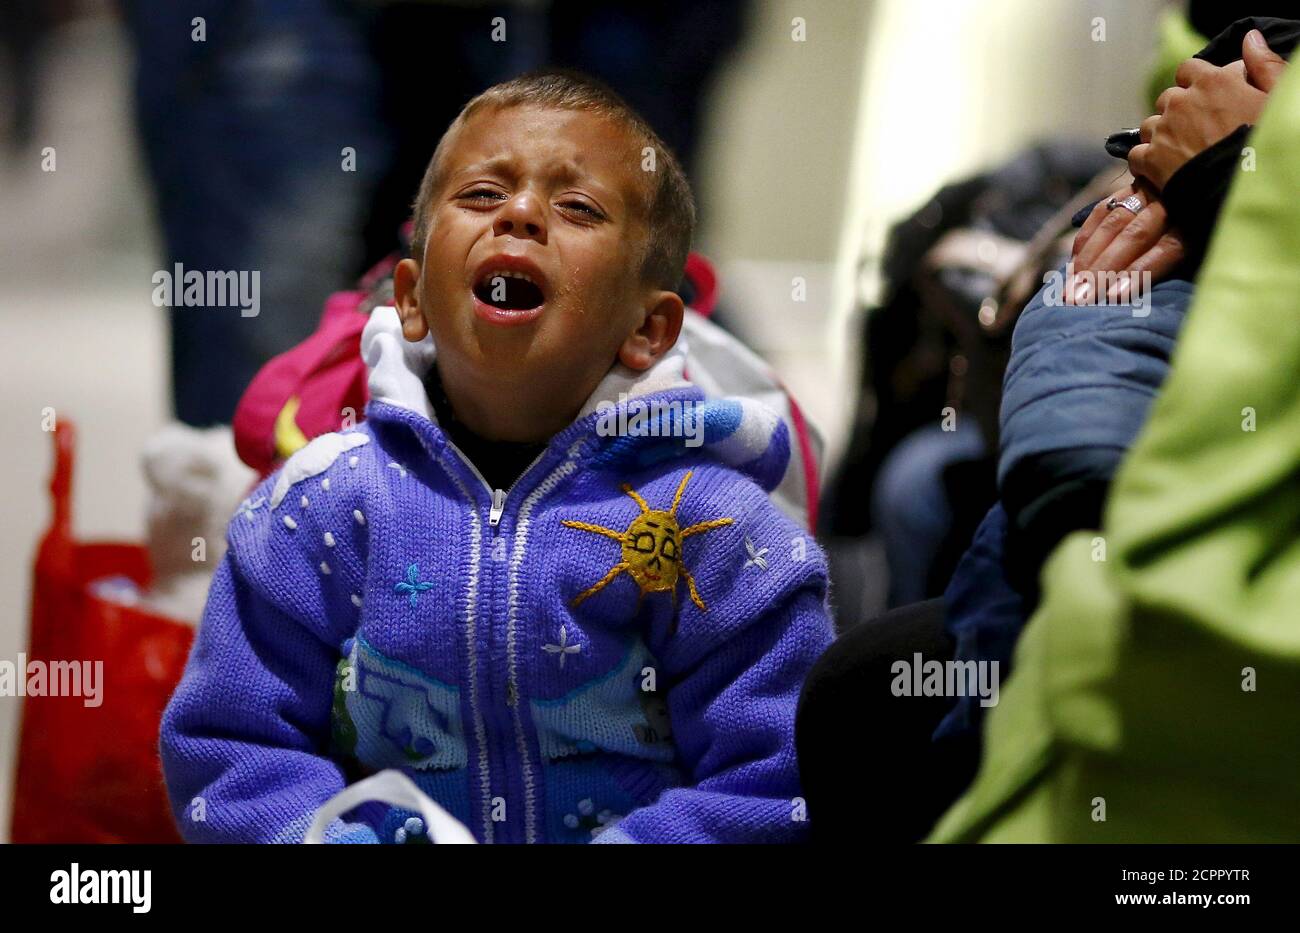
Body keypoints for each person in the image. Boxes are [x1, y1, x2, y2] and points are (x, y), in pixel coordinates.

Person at [159, 72, 834, 844]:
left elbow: (772, 782)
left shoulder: (717, 533)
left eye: (577, 208)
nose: (518, 213)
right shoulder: (315, 508)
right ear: (409, 298)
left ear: (649, 329)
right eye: (482, 195)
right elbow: (232, 747)